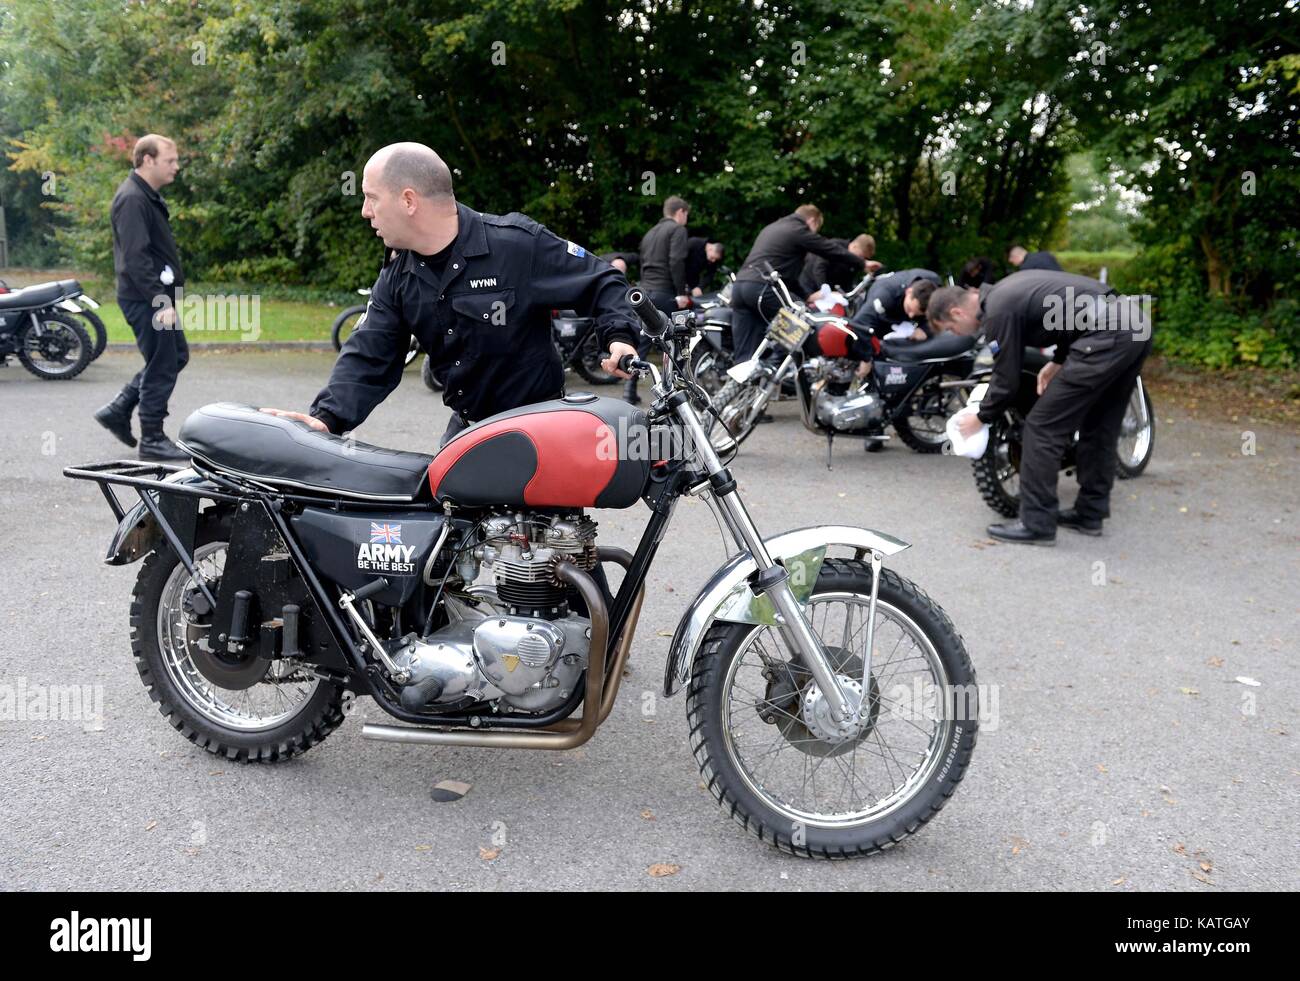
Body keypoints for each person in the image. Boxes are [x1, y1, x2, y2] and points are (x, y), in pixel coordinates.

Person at [260, 143, 640, 447]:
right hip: (466, 434)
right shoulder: (398, 276)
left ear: (408, 201)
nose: (365, 212)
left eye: (372, 198)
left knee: (547, 544)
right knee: (437, 535)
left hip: (539, 434)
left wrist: (620, 338)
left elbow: (602, 280)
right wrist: (325, 419)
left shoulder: (516, 246)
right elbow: (369, 355)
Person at [927, 270, 1152, 545]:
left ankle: (1037, 524)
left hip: (1108, 333)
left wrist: (981, 417)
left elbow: (1005, 380)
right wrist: (1058, 361)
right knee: (1100, 425)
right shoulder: (1007, 290)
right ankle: (1090, 513)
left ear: (956, 312)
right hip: (1134, 324)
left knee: (1042, 427)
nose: (955, 334)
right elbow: (1070, 310)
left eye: (950, 329)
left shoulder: (997, 312)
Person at [93, 134, 190, 461]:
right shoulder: (133, 198)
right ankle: (152, 439)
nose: (176, 167)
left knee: (175, 355)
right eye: (170, 161)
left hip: (154, 297)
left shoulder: (145, 195)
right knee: (164, 362)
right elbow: (135, 258)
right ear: (148, 160)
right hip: (146, 299)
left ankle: (119, 408)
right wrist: (159, 301)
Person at [730, 205, 867, 362]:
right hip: (762, 288)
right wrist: (862, 264)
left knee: (745, 353)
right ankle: (775, 369)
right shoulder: (798, 229)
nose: (814, 233)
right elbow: (828, 249)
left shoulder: (772, 227)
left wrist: (806, 296)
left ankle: (741, 384)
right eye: (816, 228)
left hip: (740, 287)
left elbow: (788, 276)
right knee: (803, 320)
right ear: (812, 220)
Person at [848, 268, 942, 348]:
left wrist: (925, 330)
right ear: (909, 292)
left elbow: (941, 318)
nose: (911, 315)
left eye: (916, 313)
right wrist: (866, 359)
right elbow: (859, 324)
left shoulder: (936, 288)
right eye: (909, 309)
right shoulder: (885, 295)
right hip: (884, 314)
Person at [800, 233, 881, 295]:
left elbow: (847, 283)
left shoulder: (854, 263)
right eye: (861, 256)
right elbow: (819, 269)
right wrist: (827, 293)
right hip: (809, 284)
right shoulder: (834, 246)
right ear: (854, 246)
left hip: (826, 291)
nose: (860, 260)